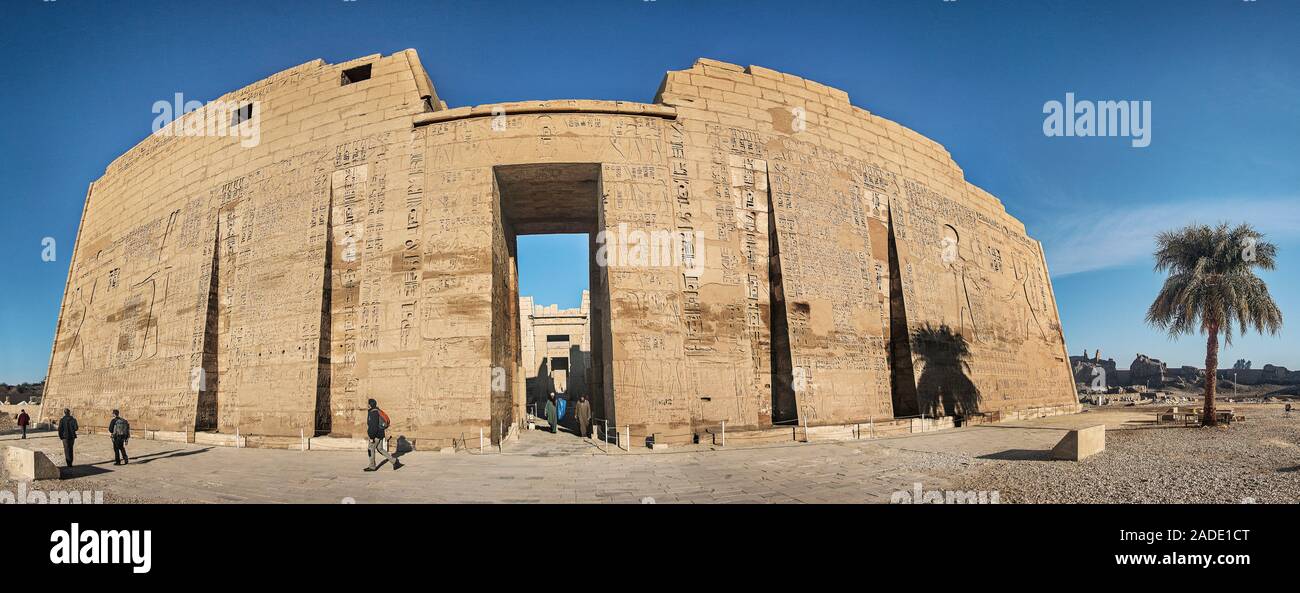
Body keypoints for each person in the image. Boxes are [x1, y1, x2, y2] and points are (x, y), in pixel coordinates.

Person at [364, 398, 402, 472]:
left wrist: (371, 437)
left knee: (370, 449)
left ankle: (372, 466)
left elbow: (373, 426)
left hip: (376, 435)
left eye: (368, 403)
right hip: (381, 434)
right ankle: (394, 461)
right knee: (380, 449)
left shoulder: (372, 413)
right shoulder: (378, 411)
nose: (367, 405)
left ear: (369, 405)